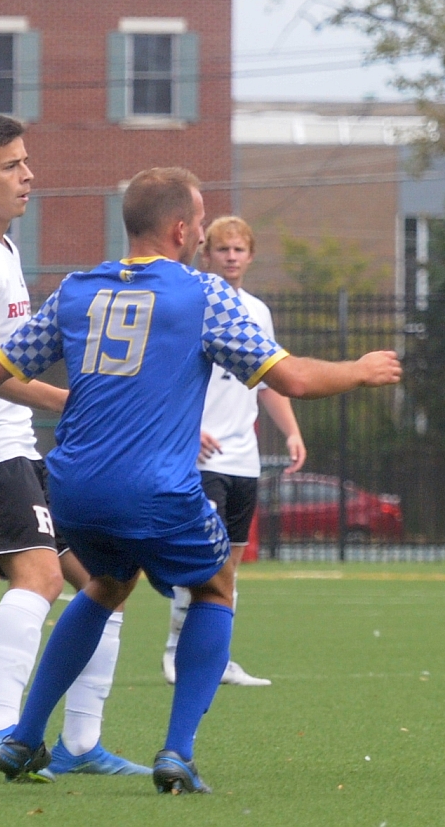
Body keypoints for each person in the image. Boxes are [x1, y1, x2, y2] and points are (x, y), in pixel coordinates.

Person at [0, 167, 402, 793]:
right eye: (201, 223)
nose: (204, 235)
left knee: (106, 585)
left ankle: (21, 737)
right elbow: (297, 382)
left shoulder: (76, 290)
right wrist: (362, 370)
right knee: (216, 587)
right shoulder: (205, 295)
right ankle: (177, 752)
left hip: (71, 487)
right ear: (180, 230)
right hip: (155, 489)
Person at [0, 116, 143, 779]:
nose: (29, 175)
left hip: (17, 445)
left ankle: (80, 744)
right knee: (38, 576)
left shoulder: (2, 248)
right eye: (12, 166)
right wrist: (73, 401)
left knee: (107, 584)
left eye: (27, 161)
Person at [161, 215, 306, 687]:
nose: (231, 257)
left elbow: (269, 380)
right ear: (206, 254)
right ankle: (176, 650)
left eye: (239, 250)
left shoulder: (257, 312)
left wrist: (291, 432)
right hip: (199, 457)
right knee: (203, 555)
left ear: (250, 256)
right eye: (222, 249)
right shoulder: (191, 304)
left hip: (242, 455)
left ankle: (216, 659)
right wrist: (186, 429)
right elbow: (167, 377)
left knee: (231, 563)